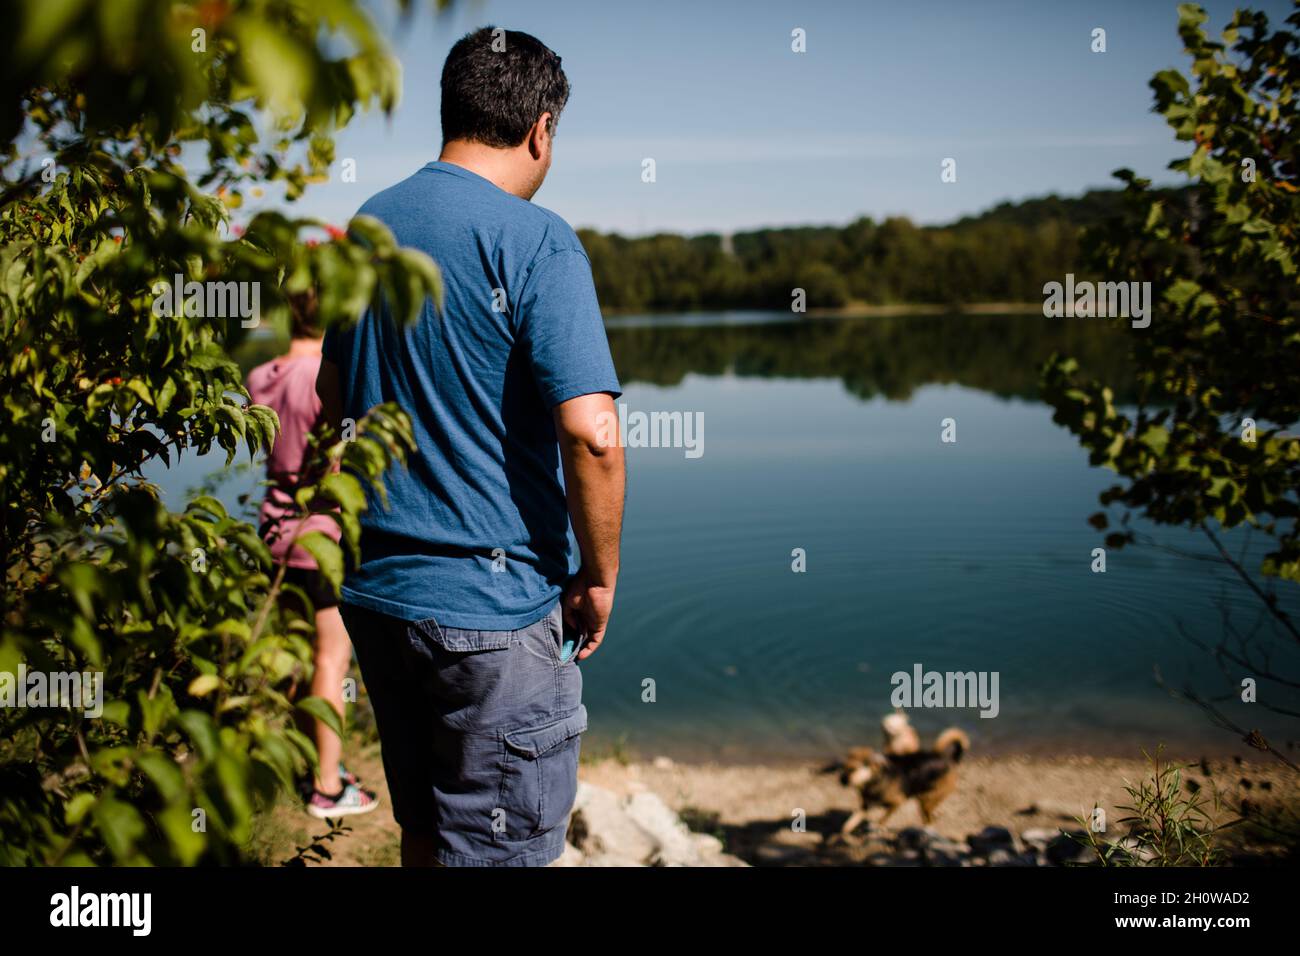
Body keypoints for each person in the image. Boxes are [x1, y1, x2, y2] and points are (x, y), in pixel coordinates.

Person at [315, 26, 625, 867]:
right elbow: (592, 433)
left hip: (379, 598)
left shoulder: (370, 226)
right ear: (541, 128)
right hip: (492, 622)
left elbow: (332, 400)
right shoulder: (536, 239)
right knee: (501, 850)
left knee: (427, 832)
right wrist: (598, 577)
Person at [247, 289, 380, 819]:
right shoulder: (326, 376)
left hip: (274, 529)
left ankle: (317, 763)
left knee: (302, 657)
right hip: (321, 533)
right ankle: (327, 786)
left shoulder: (261, 375)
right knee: (332, 659)